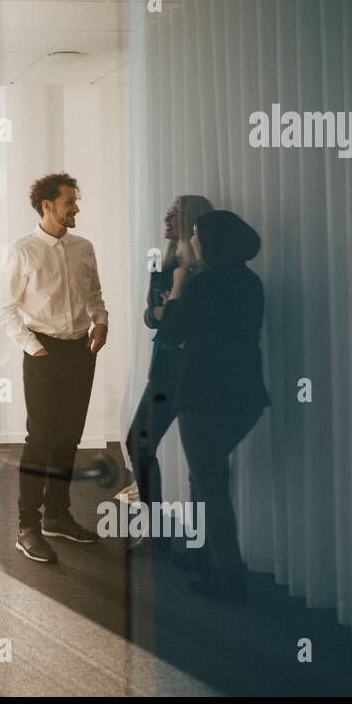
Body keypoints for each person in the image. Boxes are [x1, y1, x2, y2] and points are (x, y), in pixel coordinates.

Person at [158, 209, 271, 600]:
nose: (192, 242)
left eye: (195, 235)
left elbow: (170, 335)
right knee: (204, 477)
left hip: (204, 397)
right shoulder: (250, 282)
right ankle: (201, 553)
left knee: (210, 485)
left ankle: (229, 577)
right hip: (245, 397)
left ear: (212, 241)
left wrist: (177, 287)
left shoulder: (203, 284)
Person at [0, 173, 109, 563]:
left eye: (75, 201)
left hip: (82, 351)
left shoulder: (84, 247)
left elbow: (94, 294)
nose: (76, 208)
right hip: (43, 352)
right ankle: (27, 526)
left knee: (68, 440)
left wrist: (101, 320)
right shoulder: (22, 251)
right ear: (47, 205)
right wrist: (34, 347)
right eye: (69, 202)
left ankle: (57, 516)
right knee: (40, 440)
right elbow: (6, 308)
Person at [125, 195, 212, 511]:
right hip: (163, 367)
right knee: (139, 443)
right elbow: (151, 317)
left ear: (192, 221)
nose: (167, 220)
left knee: (201, 463)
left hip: (195, 371)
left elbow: (184, 322)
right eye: (167, 213)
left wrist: (167, 310)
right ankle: (155, 527)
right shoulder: (163, 267)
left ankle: (202, 545)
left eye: (174, 214)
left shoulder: (205, 272)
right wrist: (164, 311)